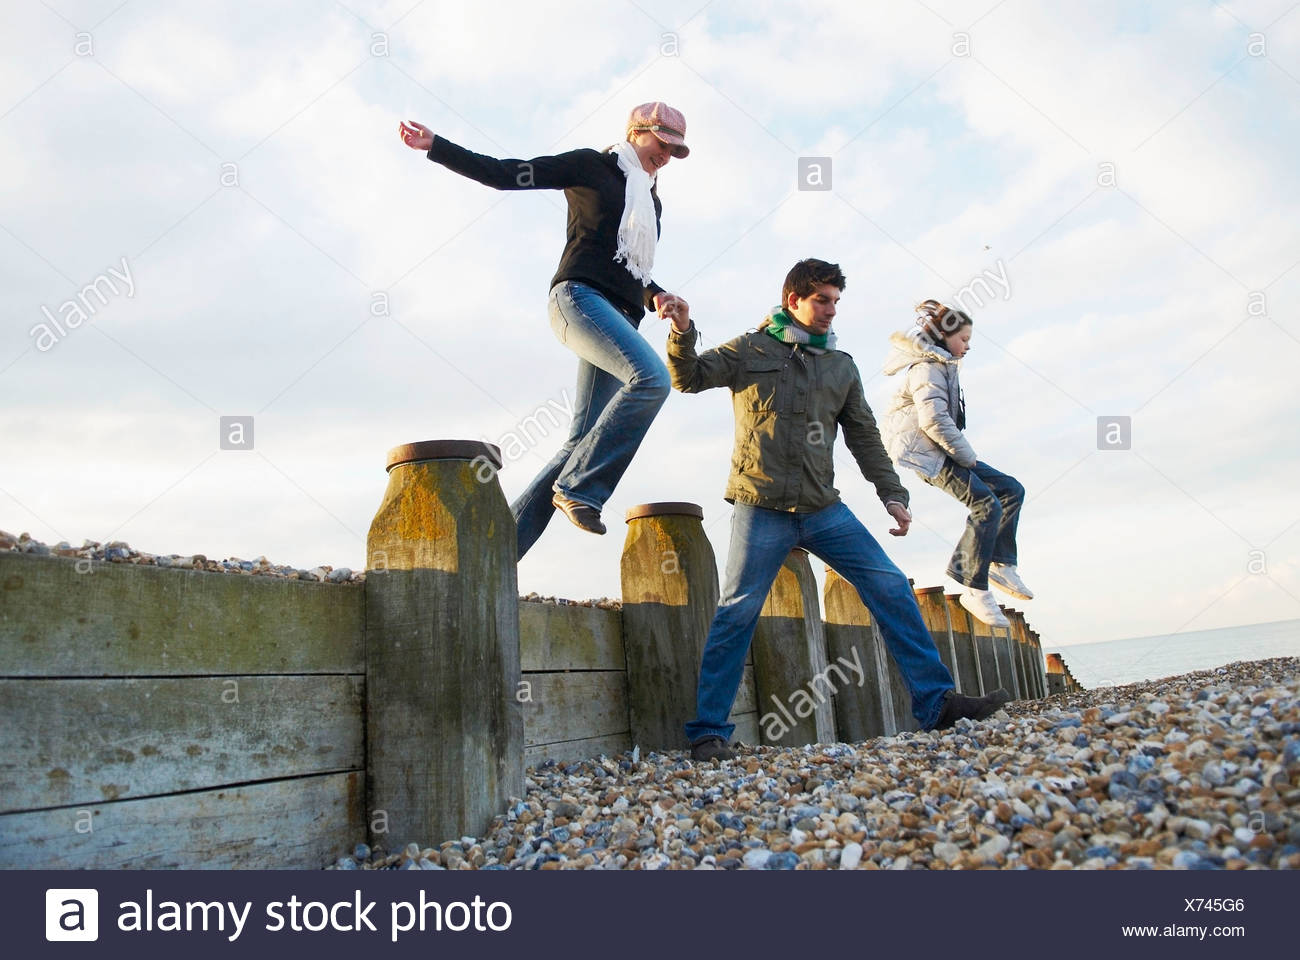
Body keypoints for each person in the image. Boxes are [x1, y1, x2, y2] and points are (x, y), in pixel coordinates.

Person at [663, 260, 1009, 762]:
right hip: (760, 506)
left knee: (890, 586)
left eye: (835, 301)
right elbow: (688, 378)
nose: (830, 310)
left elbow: (865, 434)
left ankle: (937, 704)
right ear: (793, 301)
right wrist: (681, 331)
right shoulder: (750, 349)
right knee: (737, 612)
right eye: (821, 299)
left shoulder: (840, 366)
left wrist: (892, 494)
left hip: (824, 509)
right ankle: (708, 733)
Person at [398, 103, 690, 557]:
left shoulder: (648, 199)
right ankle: (580, 490)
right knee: (651, 379)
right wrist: (437, 146)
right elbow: (506, 172)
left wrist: (657, 296)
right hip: (579, 300)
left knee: (580, 441)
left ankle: (497, 554)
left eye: (676, 150)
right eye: (662, 144)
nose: (667, 156)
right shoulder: (592, 166)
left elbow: (631, 267)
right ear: (636, 133)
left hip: (621, 315)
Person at [881, 300, 1032, 628]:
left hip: (942, 450)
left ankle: (1001, 564)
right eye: (963, 339)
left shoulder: (944, 365)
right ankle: (971, 587)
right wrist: (966, 456)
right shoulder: (927, 367)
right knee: (985, 506)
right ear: (944, 336)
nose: (967, 346)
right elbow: (933, 420)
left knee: (1010, 490)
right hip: (923, 453)